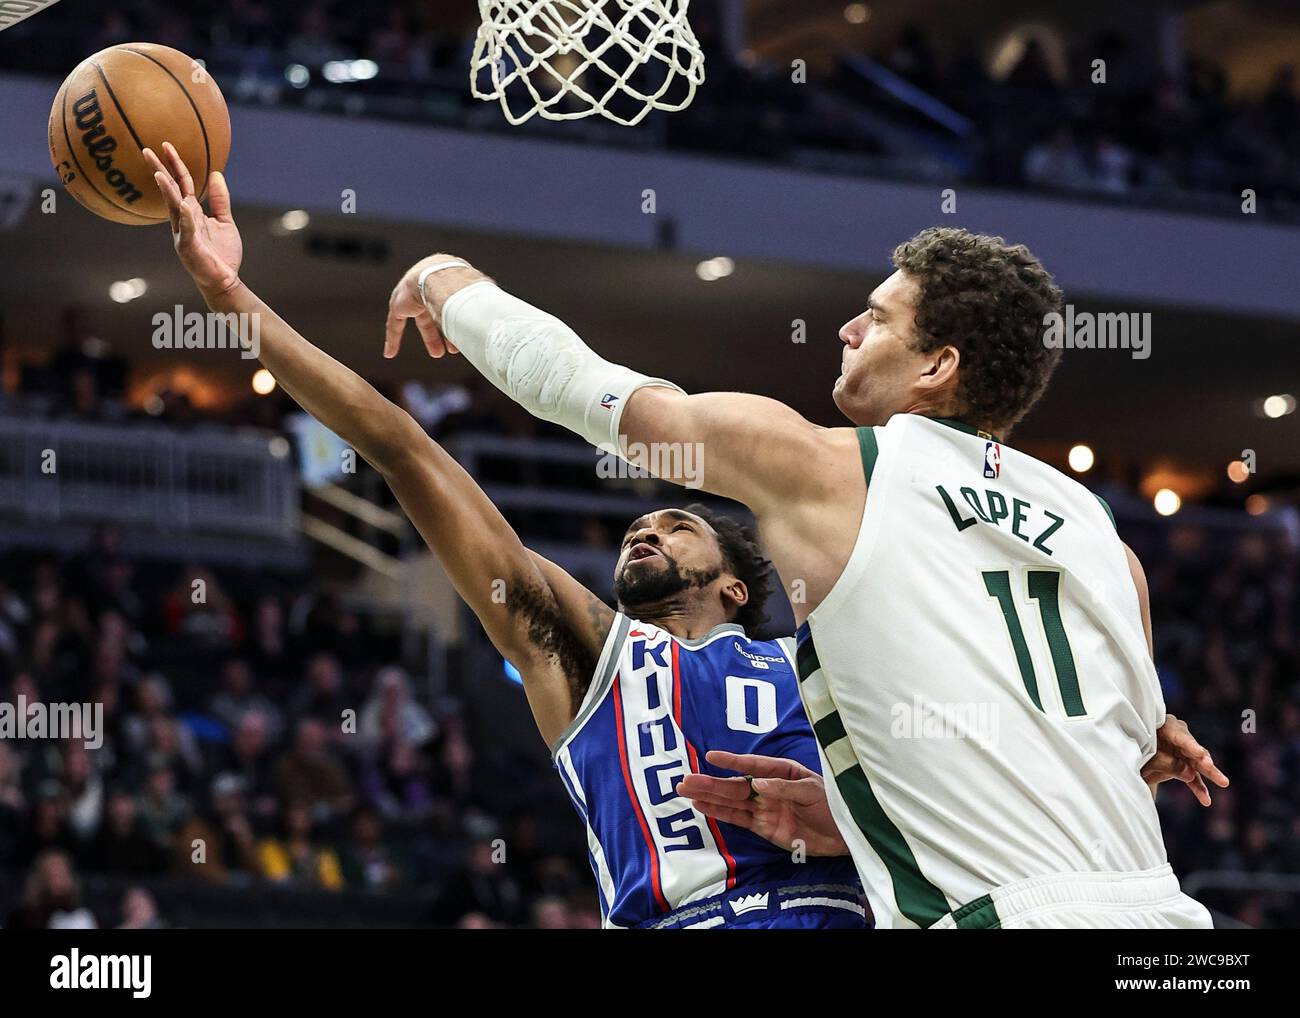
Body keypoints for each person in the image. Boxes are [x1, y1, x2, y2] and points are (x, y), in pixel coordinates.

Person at [380, 224, 1230, 928]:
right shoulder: (1105, 539)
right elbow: (1136, 747)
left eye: (877, 318)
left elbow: (578, 387)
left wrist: (443, 278)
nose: (846, 332)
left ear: (937, 366)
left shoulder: (833, 468)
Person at [145, 144, 865, 929]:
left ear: (734, 586)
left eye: (677, 524)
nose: (646, 530)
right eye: (639, 523)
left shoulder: (816, 662)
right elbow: (401, 448)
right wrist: (229, 293)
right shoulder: (592, 651)